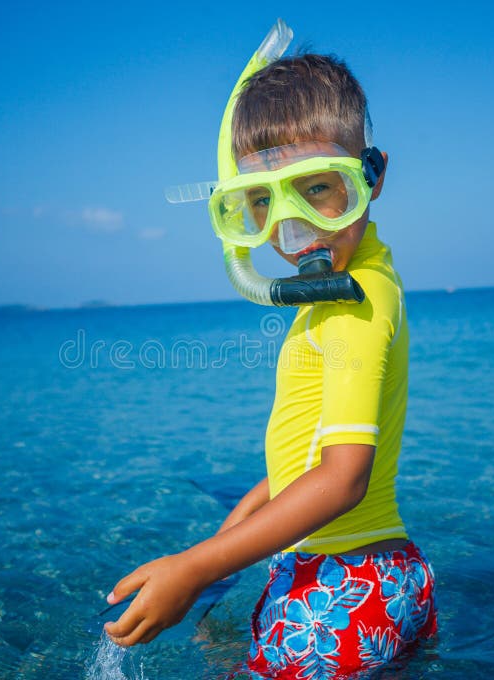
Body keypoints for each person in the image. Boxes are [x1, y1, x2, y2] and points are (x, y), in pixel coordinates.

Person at [104, 26, 437, 678]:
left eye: (318, 188)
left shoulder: (350, 303)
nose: (292, 232)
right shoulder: (358, 278)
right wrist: (230, 535)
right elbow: (313, 453)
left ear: (372, 176)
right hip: (382, 577)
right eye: (260, 204)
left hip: (345, 588)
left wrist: (196, 567)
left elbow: (343, 478)